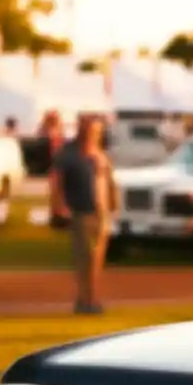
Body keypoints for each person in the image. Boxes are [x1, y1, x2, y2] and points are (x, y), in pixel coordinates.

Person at [55, 115, 118, 314]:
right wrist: (58, 206)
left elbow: (109, 182)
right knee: (85, 259)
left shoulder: (100, 155)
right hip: (81, 212)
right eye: (90, 130)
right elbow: (56, 181)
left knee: (97, 259)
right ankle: (85, 301)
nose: (94, 133)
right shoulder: (69, 154)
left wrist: (114, 203)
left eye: (97, 130)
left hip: (101, 213)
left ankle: (92, 298)